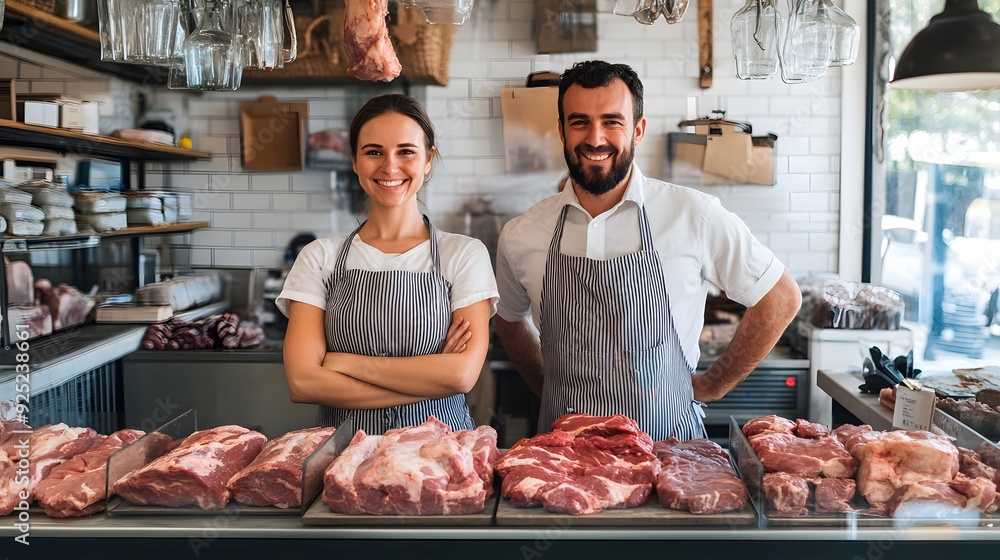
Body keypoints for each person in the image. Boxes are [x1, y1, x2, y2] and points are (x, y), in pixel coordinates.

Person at [494, 60, 802, 441]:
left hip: (670, 458)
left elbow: (780, 298)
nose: (595, 138)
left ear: (638, 130)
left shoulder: (694, 214)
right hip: (563, 464)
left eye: (612, 121)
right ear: (561, 130)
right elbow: (508, 319)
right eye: (579, 122)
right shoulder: (521, 234)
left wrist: (713, 385)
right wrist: (547, 388)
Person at [278, 94, 499, 434]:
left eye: (406, 151)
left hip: (439, 460)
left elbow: (460, 375)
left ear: (428, 159)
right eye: (374, 152)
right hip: (343, 461)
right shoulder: (319, 257)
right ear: (354, 161)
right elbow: (304, 383)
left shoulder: (464, 254)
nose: (390, 167)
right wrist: (428, 379)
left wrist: (343, 363)